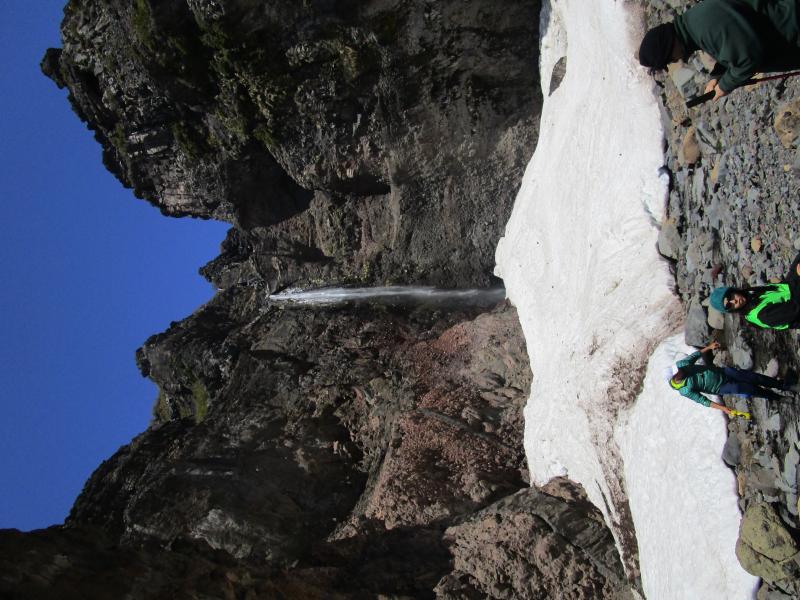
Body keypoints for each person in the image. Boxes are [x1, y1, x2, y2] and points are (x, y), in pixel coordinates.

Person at [638, 0, 800, 100]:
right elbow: (733, 45)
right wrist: (718, 75)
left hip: (792, 30)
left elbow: (748, 59)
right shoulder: (694, 25)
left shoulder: (706, 29)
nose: (673, 62)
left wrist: (725, 85)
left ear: (671, 45)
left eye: (668, 59)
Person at [668, 341, 797, 415]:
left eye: (677, 369)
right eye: (676, 372)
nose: (679, 370)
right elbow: (702, 400)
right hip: (721, 387)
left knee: (753, 377)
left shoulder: (682, 365)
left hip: (723, 372)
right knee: (749, 389)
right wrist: (723, 408)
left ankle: (783, 385)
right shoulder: (684, 390)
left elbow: (694, 356)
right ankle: (778, 397)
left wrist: (709, 347)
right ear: (674, 378)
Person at [709, 253, 800, 330]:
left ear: (733, 291)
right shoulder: (762, 316)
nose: (734, 301)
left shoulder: (751, 296)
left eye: (730, 297)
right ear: (731, 310)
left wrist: (795, 273)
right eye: (729, 305)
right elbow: (796, 308)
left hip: (791, 290)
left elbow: (781, 288)